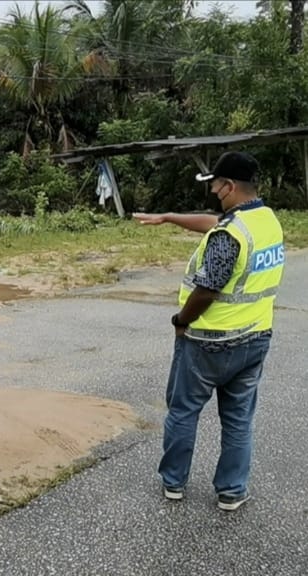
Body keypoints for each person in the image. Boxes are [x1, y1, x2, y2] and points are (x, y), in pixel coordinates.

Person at [132, 151, 285, 511]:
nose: (214, 191)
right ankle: (232, 491)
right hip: (255, 337)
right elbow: (215, 223)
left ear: (229, 186)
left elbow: (208, 288)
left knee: (183, 411)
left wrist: (181, 321)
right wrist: (169, 217)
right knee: (238, 420)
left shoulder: (229, 237)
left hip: (209, 342)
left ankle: (173, 483)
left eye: (216, 185)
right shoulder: (266, 220)